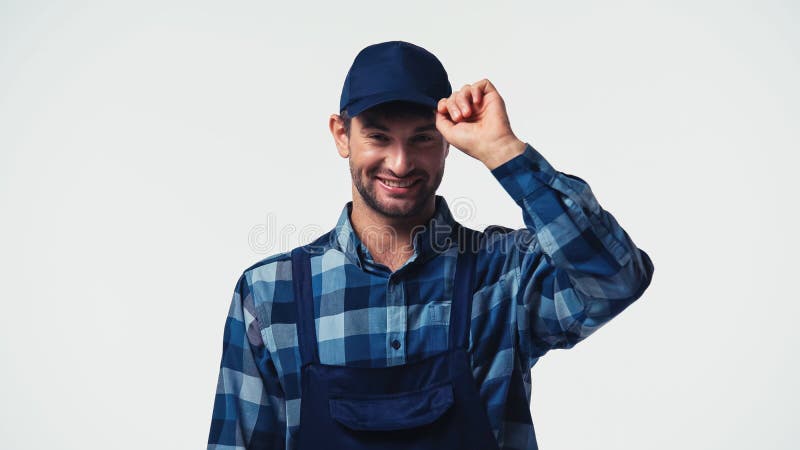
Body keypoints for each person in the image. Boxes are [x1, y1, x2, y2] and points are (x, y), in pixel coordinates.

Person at [207, 40, 655, 450]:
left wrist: (504, 150)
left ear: (447, 143)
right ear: (342, 135)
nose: (400, 164)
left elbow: (616, 278)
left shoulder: (506, 274)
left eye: (422, 138)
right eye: (379, 137)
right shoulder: (270, 294)